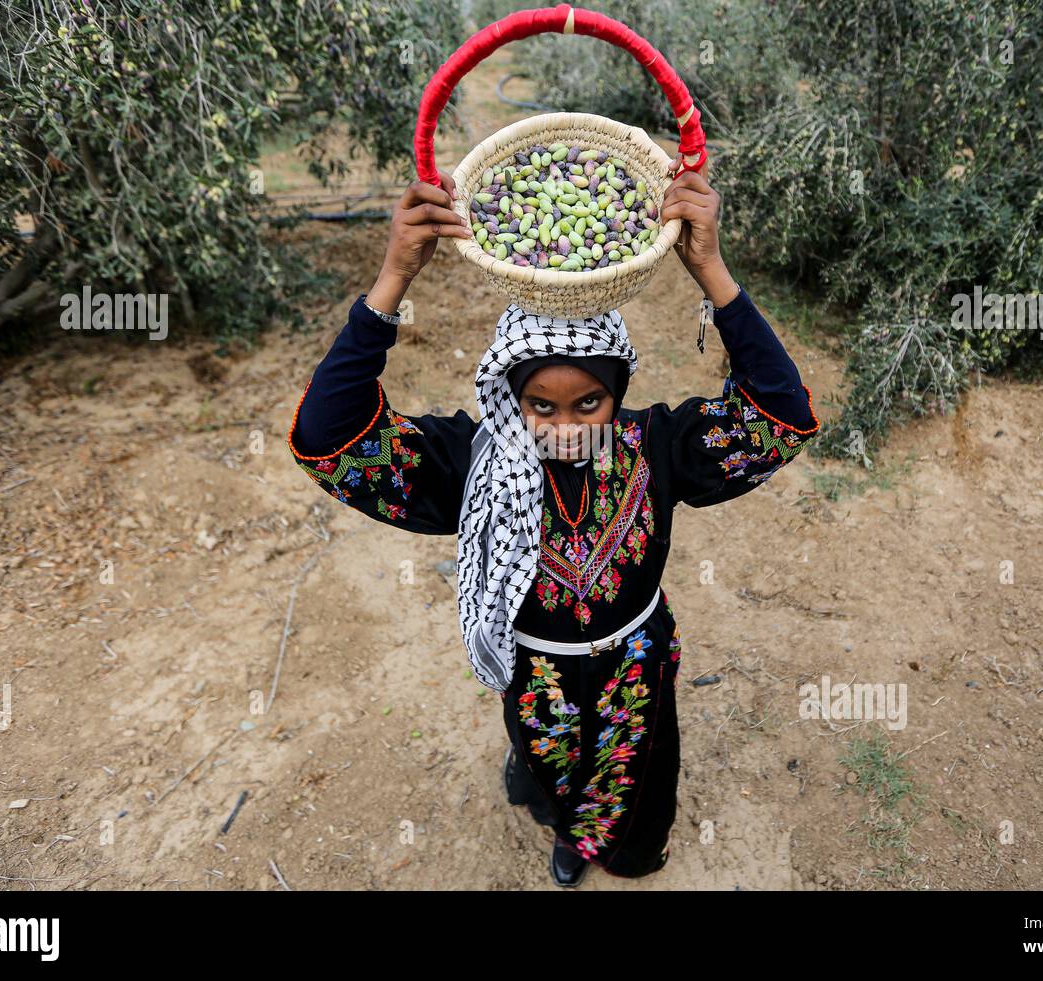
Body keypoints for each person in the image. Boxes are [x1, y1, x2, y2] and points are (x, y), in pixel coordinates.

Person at [286, 150, 820, 887]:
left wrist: (714, 274)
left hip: (635, 667)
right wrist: (392, 281)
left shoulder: (655, 446)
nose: (564, 427)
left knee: (636, 780)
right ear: (513, 397)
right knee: (551, 772)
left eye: (588, 403)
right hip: (535, 674)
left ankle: (622, 852)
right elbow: (328, 437)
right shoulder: (473, 463)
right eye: (541, 405)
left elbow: (779, 416)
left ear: (617, 392)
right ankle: (568, 837)